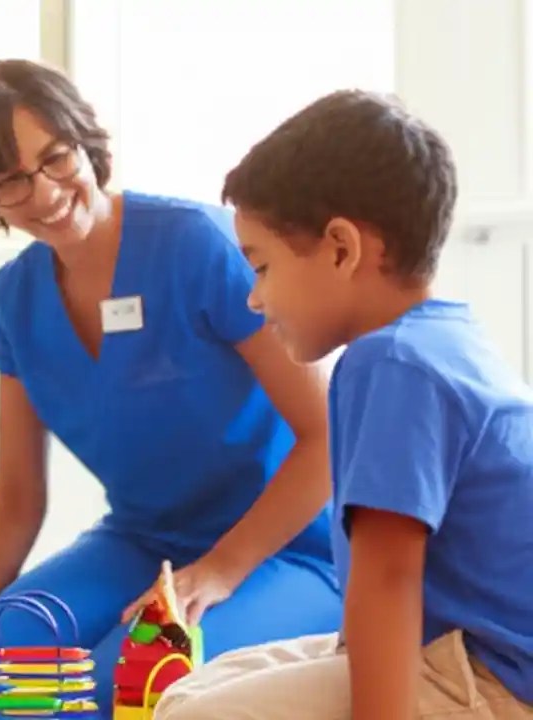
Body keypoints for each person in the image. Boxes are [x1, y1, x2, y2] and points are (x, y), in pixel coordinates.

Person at [0, 59, 342, 711]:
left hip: (292, 550)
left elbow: (328, 436)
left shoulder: (194, 246)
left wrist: (219, 569)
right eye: (11, 181)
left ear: (85, 142)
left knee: (124, 676)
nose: (42, 193)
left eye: (56, 158)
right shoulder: (16, 296)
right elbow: (16, 498)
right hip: (143, 539)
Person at [153, 91, 533, 720]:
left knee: (193, 716)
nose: (253, 299)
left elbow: (387, 581)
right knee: (192, 690)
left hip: (495, 679)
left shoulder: (390, 364)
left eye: (263, 266)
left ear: (341, 247)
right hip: (465, 651)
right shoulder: (441, 340)